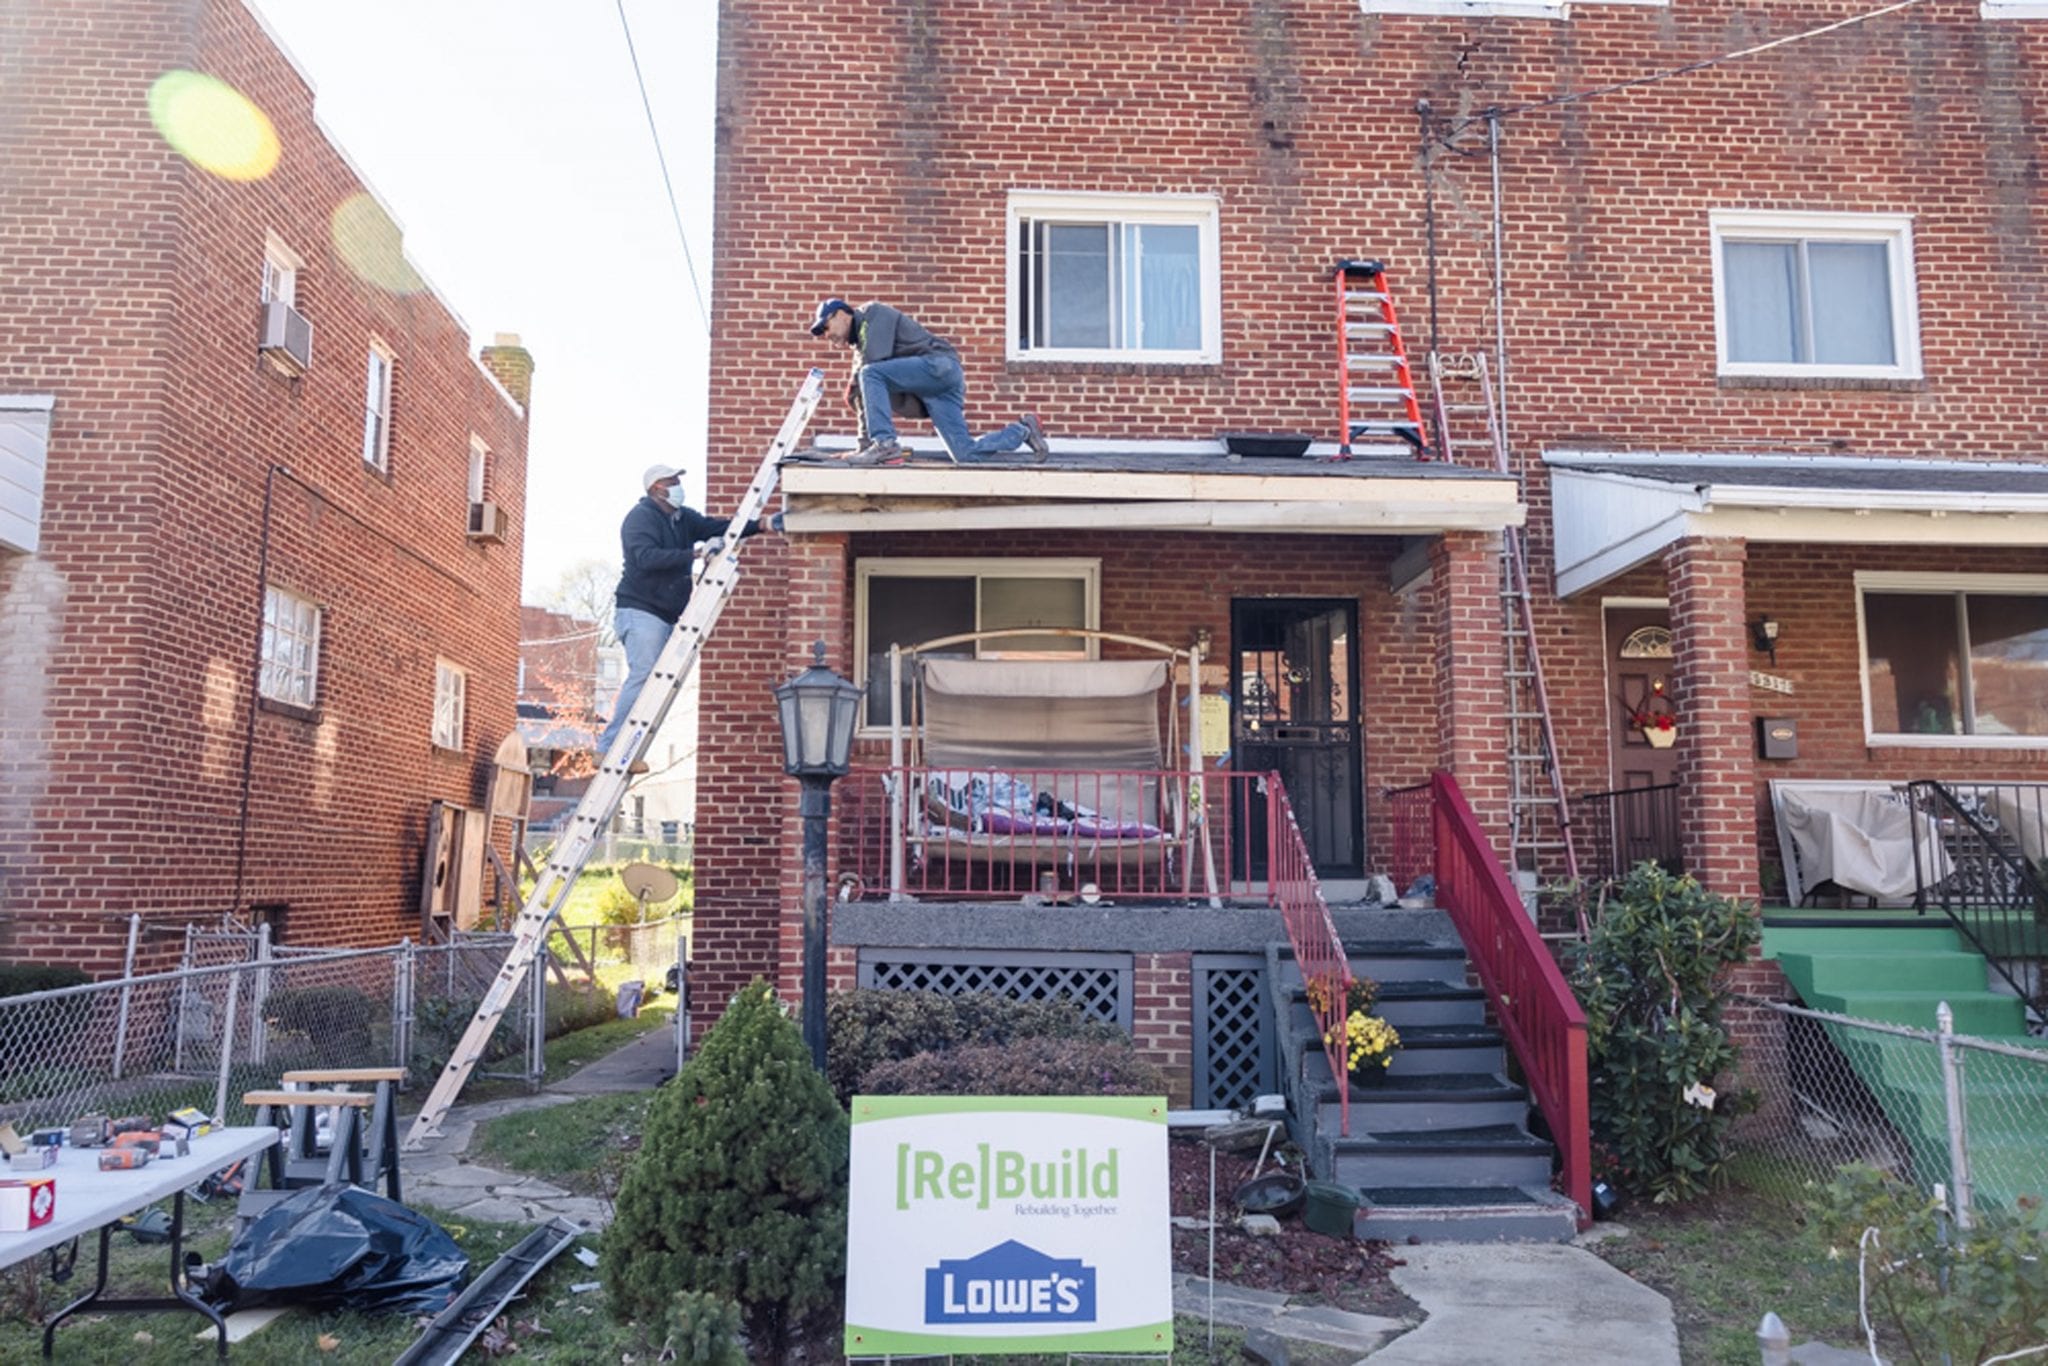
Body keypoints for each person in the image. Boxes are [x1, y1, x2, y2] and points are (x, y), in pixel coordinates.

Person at [596, 463, 776, 774]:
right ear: (656, 489)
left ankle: (629, 751)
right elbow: (645, 557)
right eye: (672, 481)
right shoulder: (641, 518)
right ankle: (608, 748)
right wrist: (695, 555)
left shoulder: (682, 518)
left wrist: (761, 524)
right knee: (643, 675)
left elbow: (716, 527)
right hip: (640, 609)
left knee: (654, 685)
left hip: (666, 613)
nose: (679, 486)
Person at [808, 297, 1050, 466]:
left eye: (826, 327)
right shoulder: (861, 347)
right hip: (936, 387)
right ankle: (1023, 430)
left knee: (869, 374)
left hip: (937, 367)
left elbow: (870, 370)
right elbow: (863, 396)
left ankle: (884, 444)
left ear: (841, 314)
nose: (826, 336)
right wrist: (862, 448)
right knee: (965, 454)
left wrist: (856, 389)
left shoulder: (871, 314)